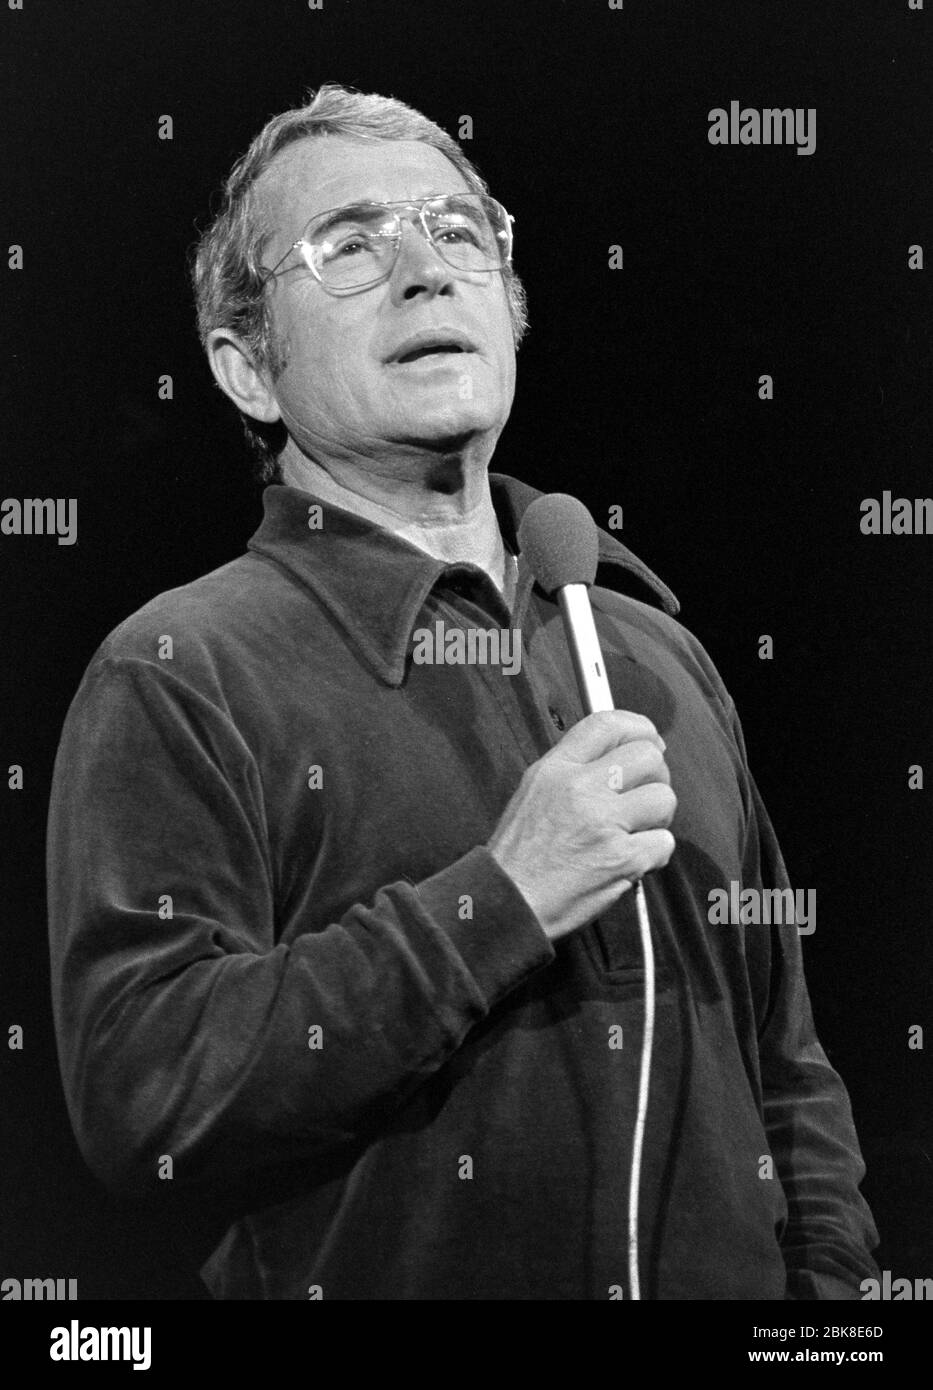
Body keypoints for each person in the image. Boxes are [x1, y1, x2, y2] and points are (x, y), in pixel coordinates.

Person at [47, 83, 879, 1300]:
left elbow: (788, 1063)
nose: (425, 271)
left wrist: (834, 1301)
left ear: (512, 302)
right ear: (245, 371)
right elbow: (147, 1096)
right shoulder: (183, 672)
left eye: (457, 231)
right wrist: (503, 897)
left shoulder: (656, 653)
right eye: (349, 246)